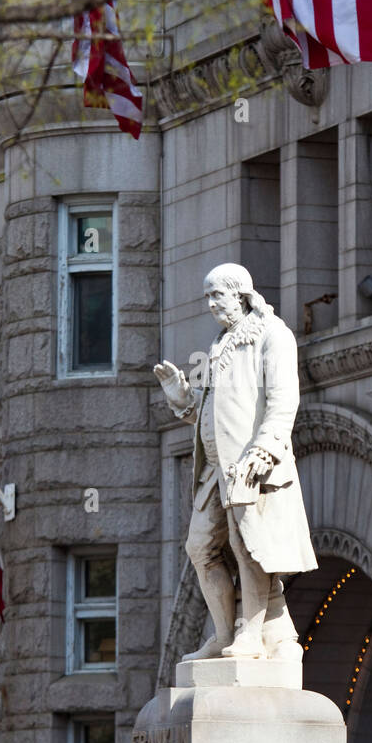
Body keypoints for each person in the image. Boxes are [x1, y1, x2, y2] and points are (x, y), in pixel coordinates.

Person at [154, 263, 317, 660]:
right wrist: (181, 395)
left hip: (248, 465)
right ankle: (225, 634)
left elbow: (283, 400)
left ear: (240, 294)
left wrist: (264, 449)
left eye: (217, 295)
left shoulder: (272, 334)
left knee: (249, 548)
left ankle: (251, 633)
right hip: (215, 470)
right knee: (200, 547)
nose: (211, 304)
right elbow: (210, 411)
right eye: (207, 296)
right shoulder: (221, 342)